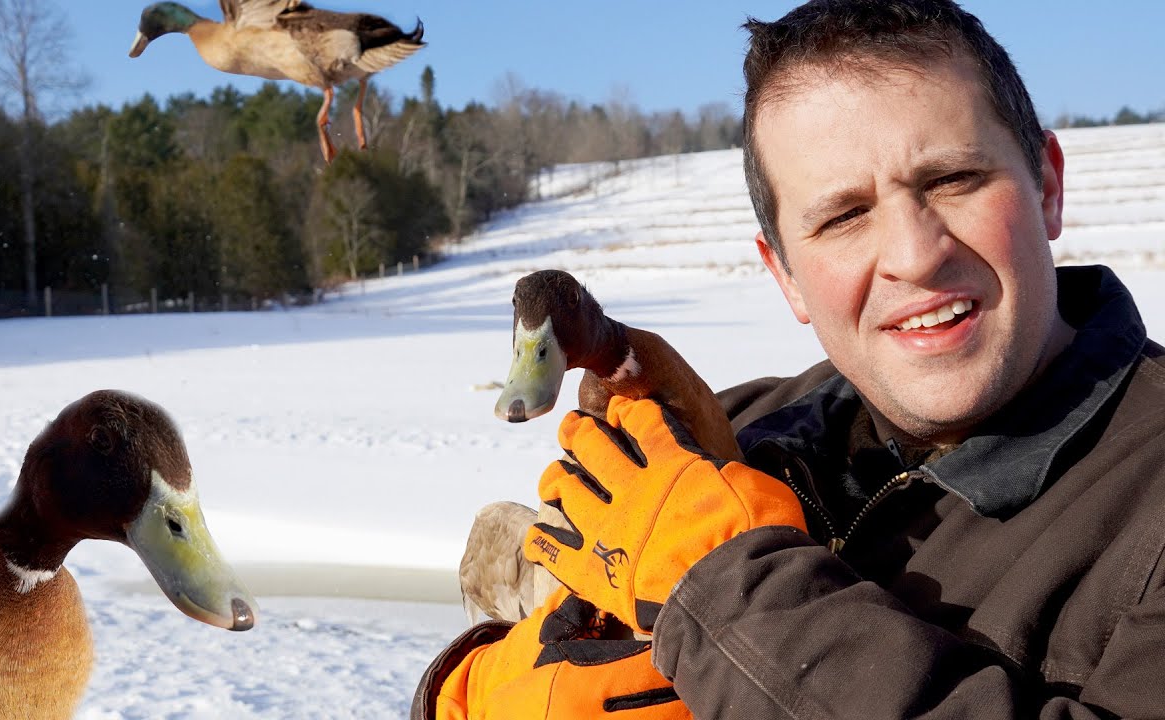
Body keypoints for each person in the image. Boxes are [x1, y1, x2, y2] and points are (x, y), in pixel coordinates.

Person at [414, 0, 1165, 717]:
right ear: (784, 276)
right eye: (844, 216)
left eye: (953, 180)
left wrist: (727, 600)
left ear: (1049, 186)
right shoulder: (735, 434)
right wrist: (474, 695)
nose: (914, 255)